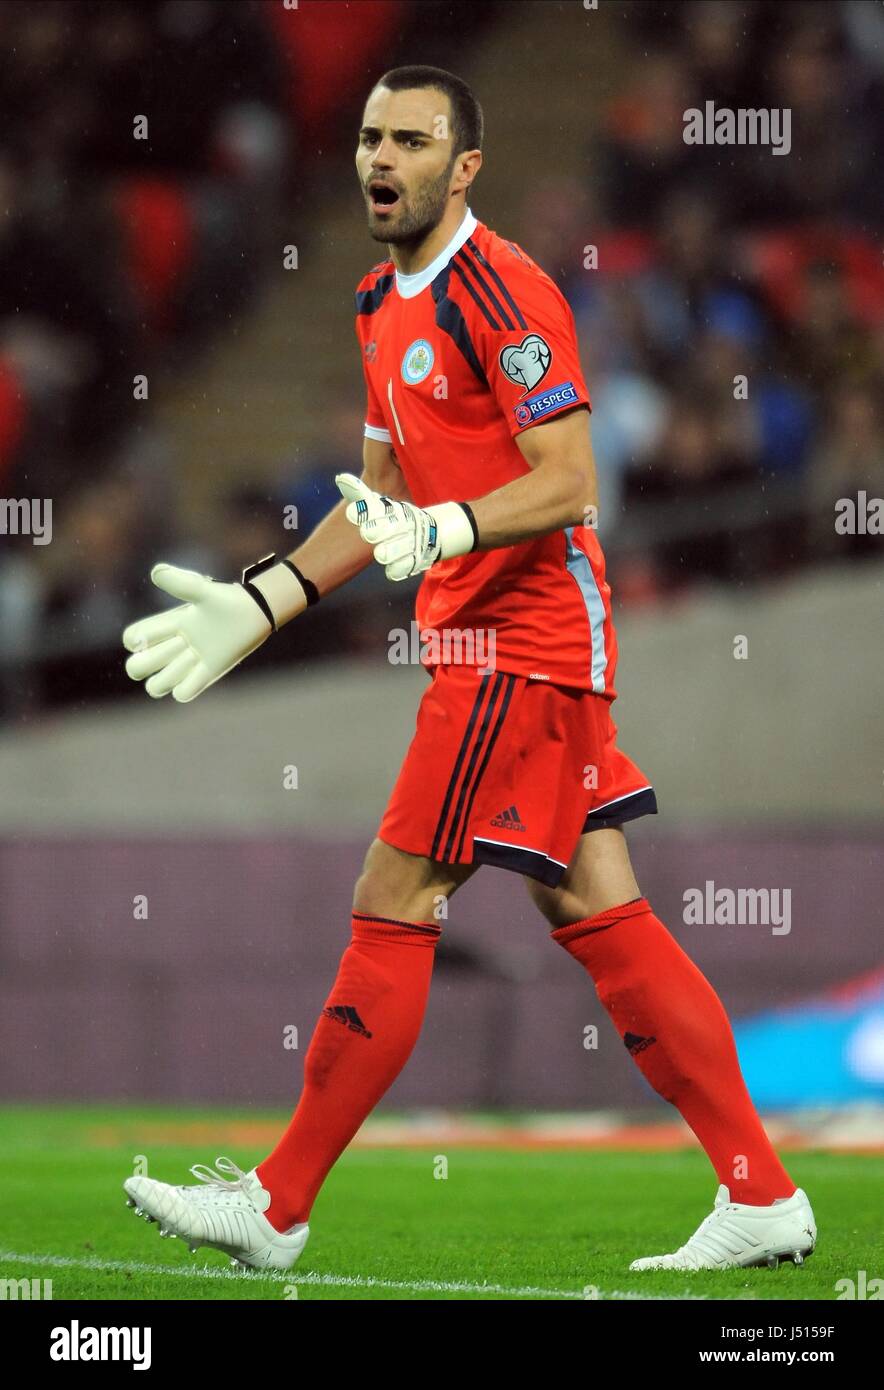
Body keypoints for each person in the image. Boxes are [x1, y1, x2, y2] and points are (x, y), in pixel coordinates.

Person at [121, 66, 815, 1276]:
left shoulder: (500, 287)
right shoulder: (375, 301)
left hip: (523, 638)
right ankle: (757, 1192)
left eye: (411, 139)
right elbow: (377, 496)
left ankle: (277, 1206)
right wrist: (266, 596)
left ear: (465, 165)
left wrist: (448, 532)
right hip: (486, 636)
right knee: (596, 907)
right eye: (370, 136)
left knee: (395, 895)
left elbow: (568, 480)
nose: (380, 158)